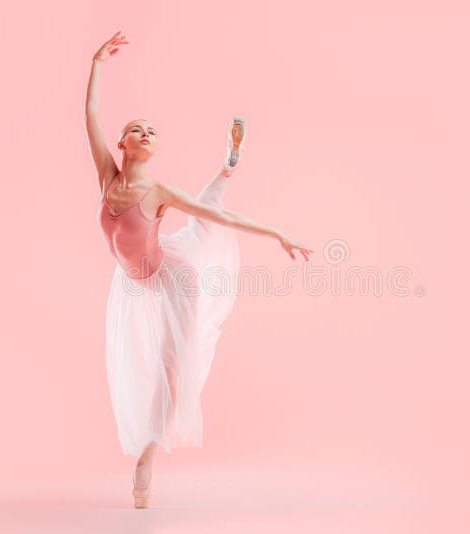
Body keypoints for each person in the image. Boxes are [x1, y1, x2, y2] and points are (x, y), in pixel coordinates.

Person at [85, 31, 313, 508]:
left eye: (152, 130)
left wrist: (277, 235)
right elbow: (89, 117)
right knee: (130, 369)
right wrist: (97, 63)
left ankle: (146, 459)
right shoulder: (108, 176)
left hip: (174, 280)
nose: (145, 133)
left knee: (174, 367)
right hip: (129, 285)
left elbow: (221, 218)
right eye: (136, 129)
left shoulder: (159, 191)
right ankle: (228, 165)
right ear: (122, 144)